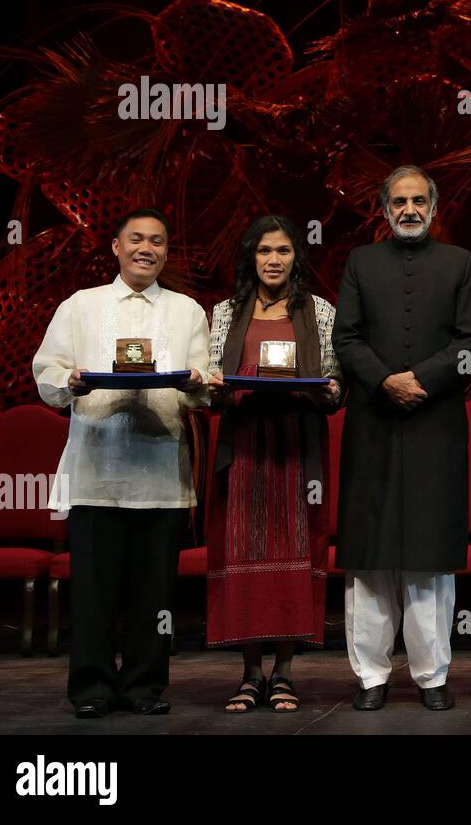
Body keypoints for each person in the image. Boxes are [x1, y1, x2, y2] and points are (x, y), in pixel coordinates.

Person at [32, 208, 210, 718]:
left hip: (161, 472)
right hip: (96, 470)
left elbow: (203, 381)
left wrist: (199, 382)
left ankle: (143, 687)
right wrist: (70, 381)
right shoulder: (80, 306)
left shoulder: (186, 310)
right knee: (93, 592)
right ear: (115, 246)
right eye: (136, 239)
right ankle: (90, 687)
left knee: (153, 595)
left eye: (157, 241)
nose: (145, 248)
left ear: (166, 252)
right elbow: (47, 368)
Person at [332, 166, 471, 711]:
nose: (410, 209)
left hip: (435, 423)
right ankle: (371, 676)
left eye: (420, 200)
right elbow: (345, 338)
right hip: (373, 421)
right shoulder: (360, 262)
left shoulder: (461, 264)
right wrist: (383, 380)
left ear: (435, 207)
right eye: (400, 201)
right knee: (370, 557)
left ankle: (431, 675)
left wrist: (421, 380)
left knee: (429, 556)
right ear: (385, 207)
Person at [205, 216, 342, 713]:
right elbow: (211, 384)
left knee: (294, 552)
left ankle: (283, 673)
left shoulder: (320, 312)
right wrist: (213, 388)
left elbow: (333, 380)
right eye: (264, 251)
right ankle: (248, 674)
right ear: (252, 258)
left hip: (295, 448)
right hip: (242, 448)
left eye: (283, 251)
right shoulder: (225, 312)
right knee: (243, 555)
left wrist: (329, 390)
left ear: (295, 258)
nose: (274, 260)